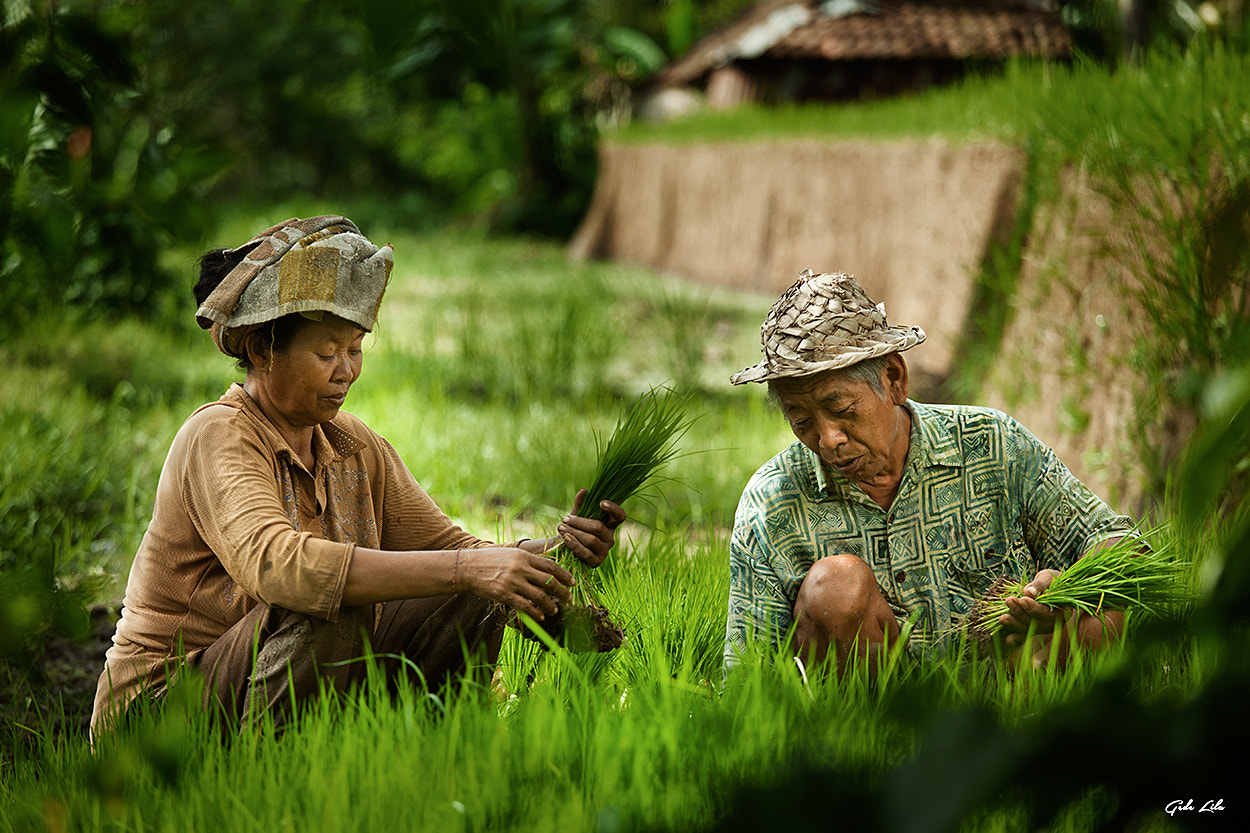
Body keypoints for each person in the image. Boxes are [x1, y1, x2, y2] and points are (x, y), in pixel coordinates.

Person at [91, 215, 626, 736]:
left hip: (262, 679)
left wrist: (553, 550)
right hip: (159, 717)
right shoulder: (219, 435)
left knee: (470, 591)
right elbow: (279, 568)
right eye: (326, 352)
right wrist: (469, 568)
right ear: (261, 349)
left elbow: (454, 551)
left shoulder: (350, 445)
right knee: (334, 602)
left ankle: (434, 749)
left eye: (354, 349)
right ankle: (273, 783)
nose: (346, 369)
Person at [723, 269, 1138, 675]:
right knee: (836, 585)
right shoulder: (772, 503)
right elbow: (747, 675)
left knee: (1108, 590)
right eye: (801, 420)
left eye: (842, 410)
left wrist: (1064, 590)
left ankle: (1053, 737)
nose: (828, 438)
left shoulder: (993, 444)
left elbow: (1121, 544)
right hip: (878, 723)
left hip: (1017, 702)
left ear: (894, 379)